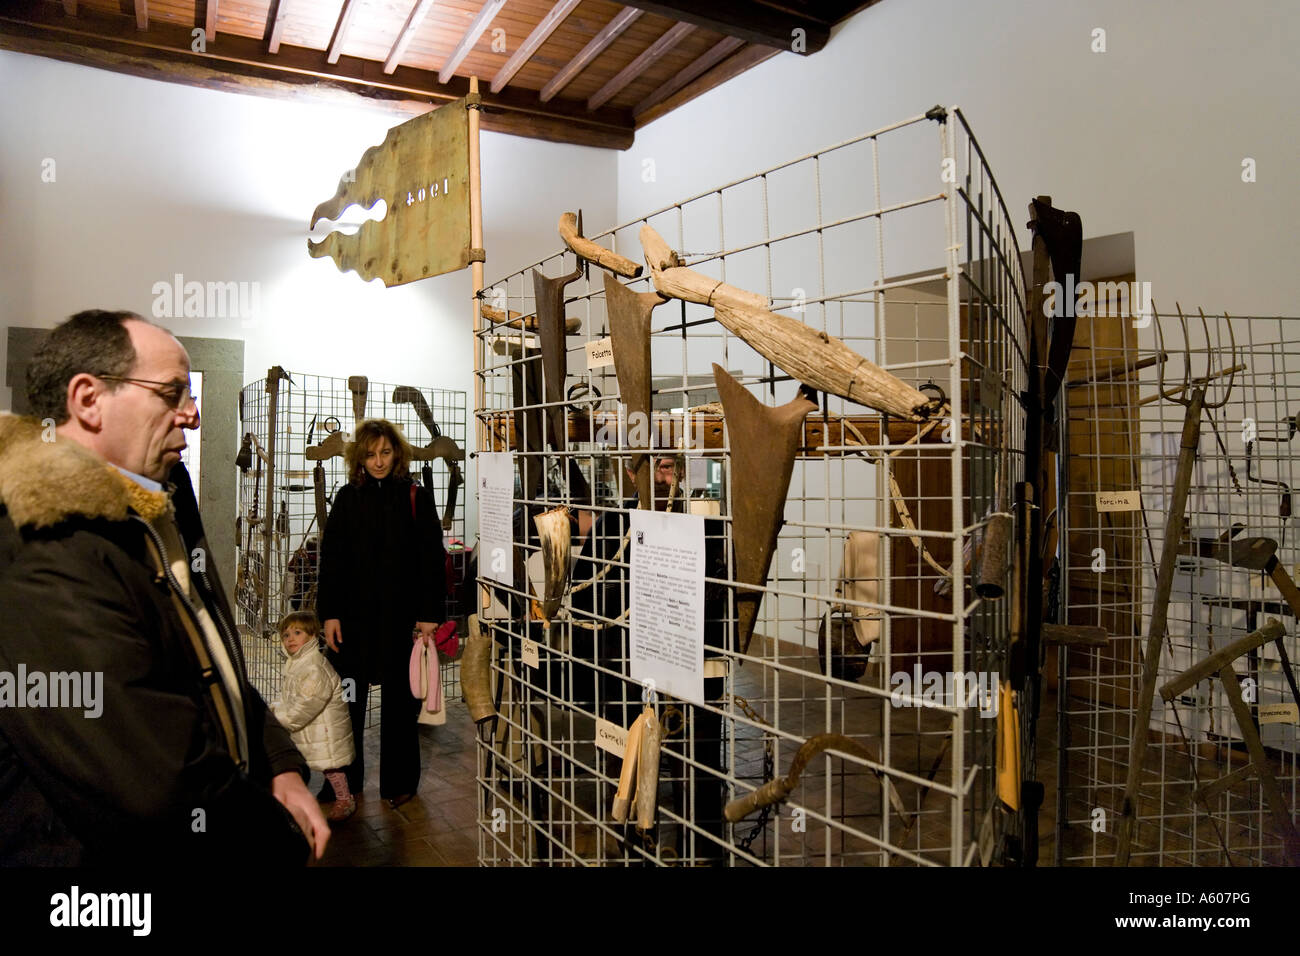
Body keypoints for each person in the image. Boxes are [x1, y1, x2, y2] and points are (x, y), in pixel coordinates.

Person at [0, 309, 328, 864]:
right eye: (172, 392)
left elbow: (211, 666)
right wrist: (279, 842)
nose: (194, 415)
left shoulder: (156, 502)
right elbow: (155, 781)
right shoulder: (46, 549)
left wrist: (280, 763)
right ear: (88, 400)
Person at [316, 418, 446, 809]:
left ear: (397, 453)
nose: (378, 461)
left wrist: (428, 614)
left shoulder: (414, 496)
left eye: (385, 453)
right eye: (371, 454)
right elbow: (333, 560)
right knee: (347, 703)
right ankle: (346, 782)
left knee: (400, 703)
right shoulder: (346, 496)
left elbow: (430, 558)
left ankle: (400, 781)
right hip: (352, 619)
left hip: (400, 619)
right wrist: (330, 613)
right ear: (359, 456)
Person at [274, 611, 357, 821]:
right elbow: (291, 696)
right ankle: (297, 801)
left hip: (324, 730)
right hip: (311, 728)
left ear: (312, 637)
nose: (290, 638)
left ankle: (345, 800)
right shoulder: (298, 663)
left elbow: (304, 707)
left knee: (331, 768)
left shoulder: (314, 669)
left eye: (297, 632)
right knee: (307, 765)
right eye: (286, 635)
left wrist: (278, 717)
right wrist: (277, 708)